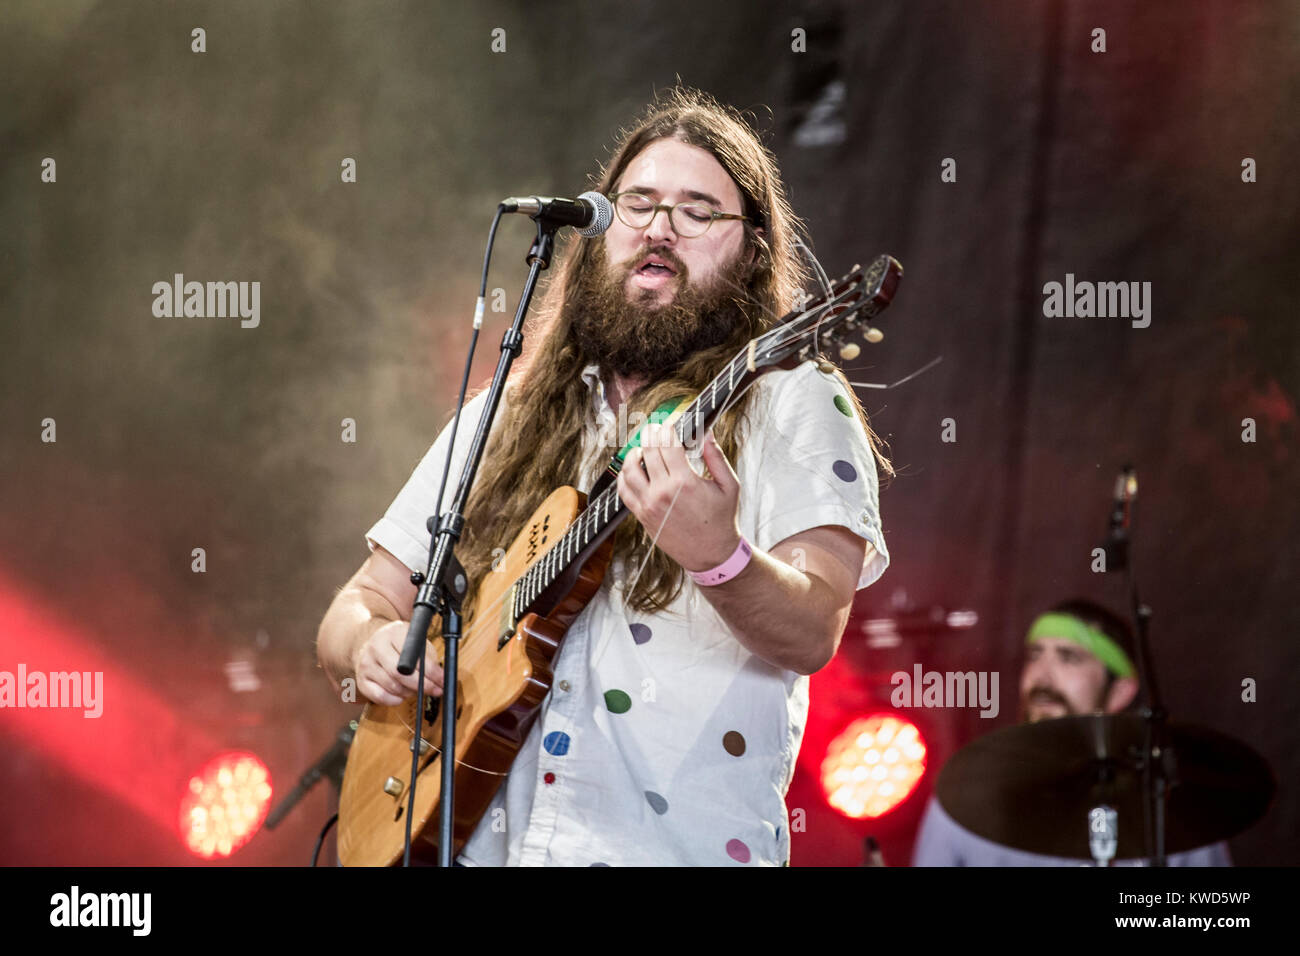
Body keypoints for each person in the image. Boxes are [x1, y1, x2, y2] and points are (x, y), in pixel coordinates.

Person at [315, 88, 892, 866]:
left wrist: (716, 555)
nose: (659, 227)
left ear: (753, 251)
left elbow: (814, 628)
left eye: (698, 212)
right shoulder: (505, 414)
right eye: (639, 203)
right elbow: (358, 603)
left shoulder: (791, 394)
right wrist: (372, 645)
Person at [911, 599, 1231, 866]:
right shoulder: (964, 797)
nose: (1042, 679)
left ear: (1119, 691)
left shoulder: (1169, 809)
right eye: (1035, 655)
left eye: (1069, 658)